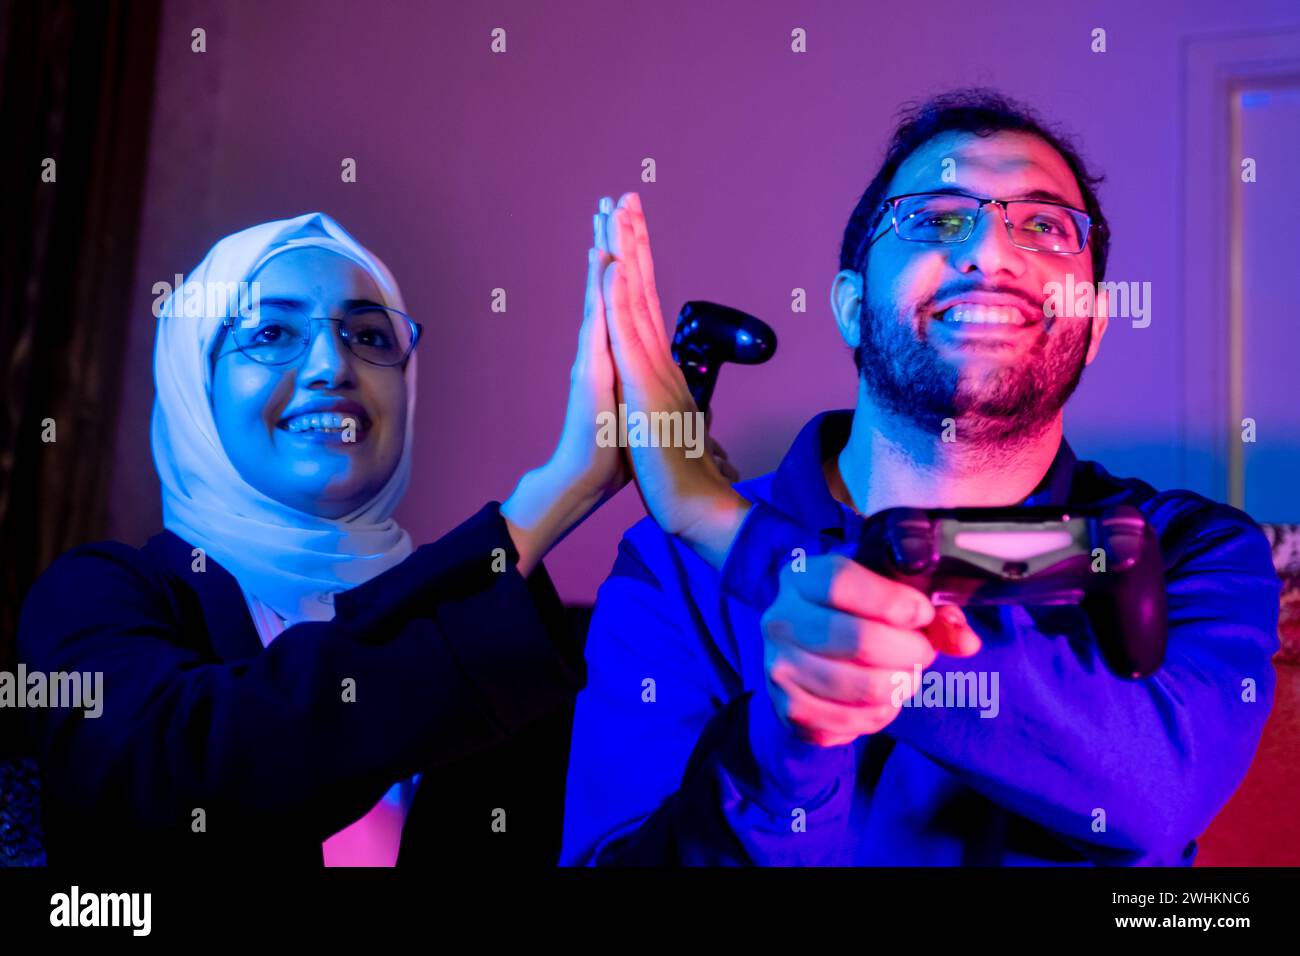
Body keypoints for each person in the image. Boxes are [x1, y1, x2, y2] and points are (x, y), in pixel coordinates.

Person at [561, 90, 1283, 866]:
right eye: (935, 216)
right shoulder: (669, 570)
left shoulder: (1194, 549)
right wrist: (782, 748)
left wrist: (730, 533)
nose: (992, 252)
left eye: (1042, 226)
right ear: (850, 304)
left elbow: (1152, 794)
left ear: (1095, 326)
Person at [17, 207, 642, 865]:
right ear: (194, 382)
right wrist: (546, 503)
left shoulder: (532, 644)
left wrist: (701, 519)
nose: (331, 366)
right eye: (271, 332)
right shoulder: (96, 599)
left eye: (369, 337)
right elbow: (183, 776)